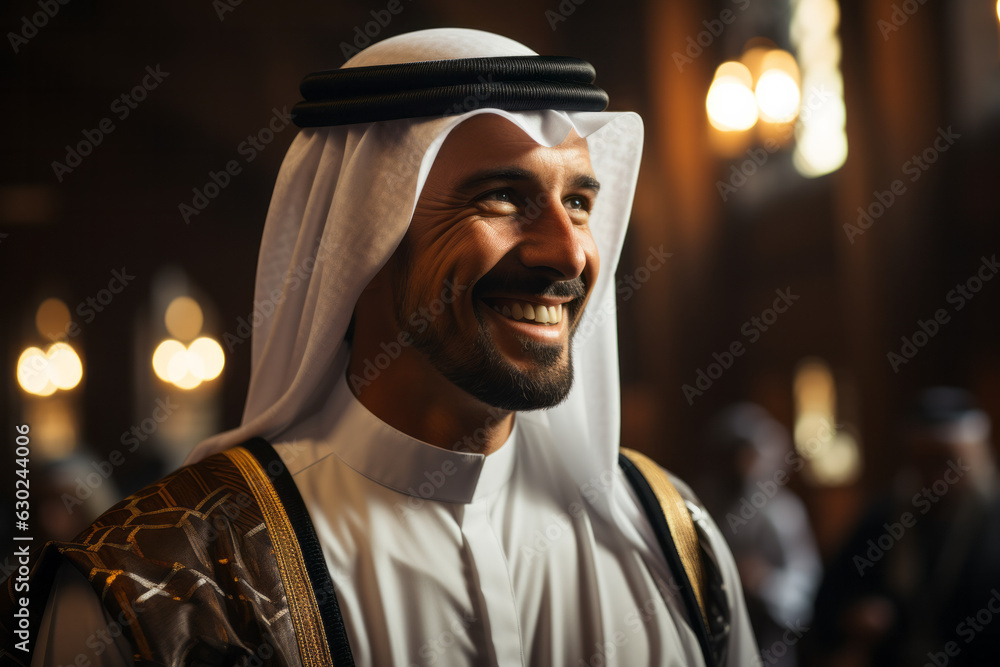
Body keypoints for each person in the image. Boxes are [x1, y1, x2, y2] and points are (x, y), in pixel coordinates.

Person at [1, 28, 758, 666]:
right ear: (363, 235)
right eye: (502, 196)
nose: (568, 254)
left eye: (580, 203)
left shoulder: (672, 541)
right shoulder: (161, 585)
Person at [807, 387, 1000, 666]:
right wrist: (853, 615)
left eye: (949, 462)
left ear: (978, 457)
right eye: (924, 462)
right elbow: (831, 596)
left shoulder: (993, 520)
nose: (937, 478)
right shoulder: (883, 518)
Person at [697, 404, 821, 667]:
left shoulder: (783, 514)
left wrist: (763, 581)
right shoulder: (704, 505)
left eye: (746, 454)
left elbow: (804, 594)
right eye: (730, 455)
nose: (738, 464)